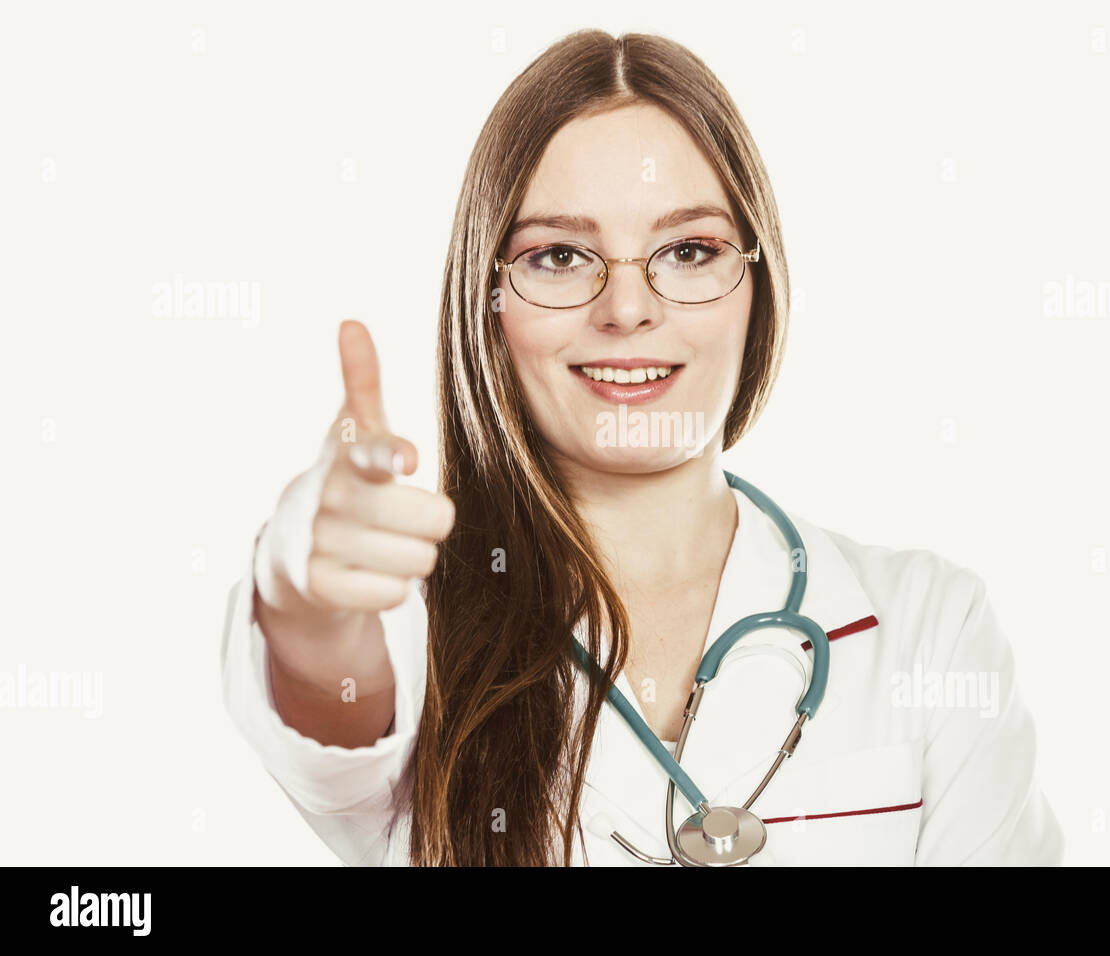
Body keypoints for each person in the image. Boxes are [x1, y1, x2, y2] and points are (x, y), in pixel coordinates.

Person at [221, 28, 1065, 867]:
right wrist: (311, 593)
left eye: (688, 250)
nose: (627, 307)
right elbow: (329, 682)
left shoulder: (928, 630)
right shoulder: (412, 632)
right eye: (558, 255)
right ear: (487, 299)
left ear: (756, 286)